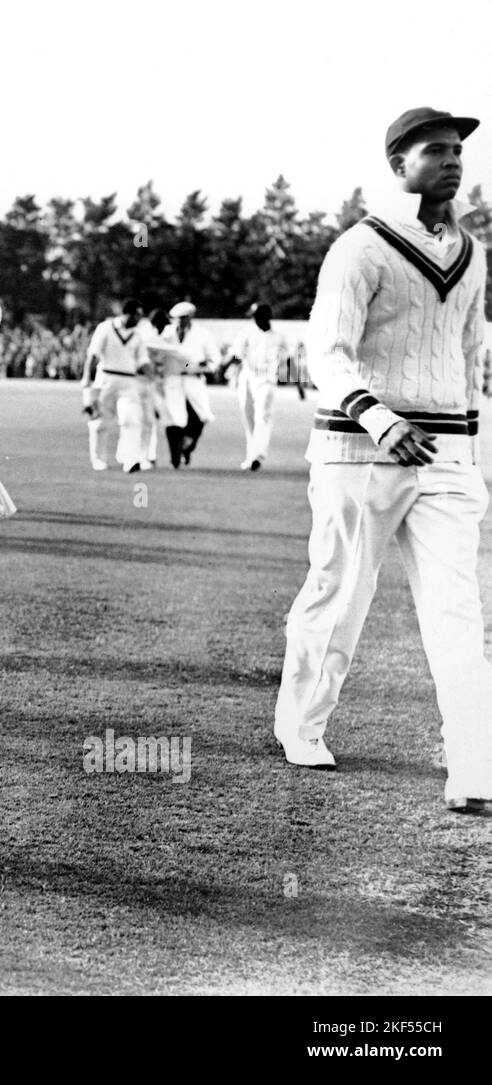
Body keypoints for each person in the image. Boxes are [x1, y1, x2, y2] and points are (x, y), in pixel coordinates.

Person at [274, 106, 492, 814]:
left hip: (445, 456)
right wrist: (378, 416)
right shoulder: (360, 247)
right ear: (399, 165)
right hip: (357, 449)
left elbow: (468, 355)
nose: (452, 160)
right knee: (340, 593)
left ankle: (473, 766)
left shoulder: (473, 251)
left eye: (458, 150)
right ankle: (301, 724)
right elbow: (327, 351)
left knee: (458, 611)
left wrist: (467, 450)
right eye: (435, 150)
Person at [80, 298, 152, 472]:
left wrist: (153, 378)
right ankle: (98, 459)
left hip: (129, 381)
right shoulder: (105, 328)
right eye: (137, 315)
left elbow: (143, 361)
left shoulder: (138, 334)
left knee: (130, 419)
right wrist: (87, 378)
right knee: (100, 422)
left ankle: (129, 459)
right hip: (105, 379)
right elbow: (94, 354)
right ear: (127, 313)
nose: (139, 319)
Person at [226, 302, 290, 470]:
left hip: (267, 380)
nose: (254, 320)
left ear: (266, 317)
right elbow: (236, 354)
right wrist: (222, 365)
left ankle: (258, 455)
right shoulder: (247, 332)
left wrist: (299, 385)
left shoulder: (279, 337)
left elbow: (289, 361)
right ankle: (251, 456)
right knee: (248, 418)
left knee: (263, 416)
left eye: (256, 317)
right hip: (247, 378)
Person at [165, 301, 218, 464]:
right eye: (176, 318)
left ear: (190, 317)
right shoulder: (166, 333)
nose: (180, 321)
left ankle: (187, 446)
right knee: (174, 419)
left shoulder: (202, 334)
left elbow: (214, 357)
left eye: (183, 318)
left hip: (193, 379)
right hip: (173, 379)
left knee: (200, 416)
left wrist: (205, 366)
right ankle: (175, 455)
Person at [140, 306, 192, 467]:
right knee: (146, 420)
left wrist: (187, 365)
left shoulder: (167, 339)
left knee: (157, 420)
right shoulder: (148, 338)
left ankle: (152, 455)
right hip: (144, 381)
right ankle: (144, 455)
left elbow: (185, 358)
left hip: (161, 383)